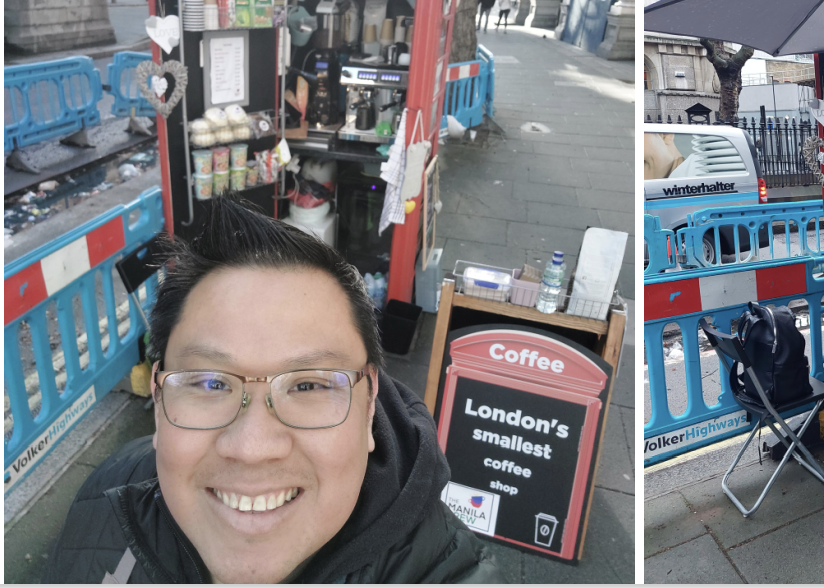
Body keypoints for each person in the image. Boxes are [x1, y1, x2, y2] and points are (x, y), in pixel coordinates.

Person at [42, 197, 501, 584]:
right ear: (159, 402)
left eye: (307, 384)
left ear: (367, 410)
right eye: (210, 382)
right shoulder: (99, 508)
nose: (252, 447)